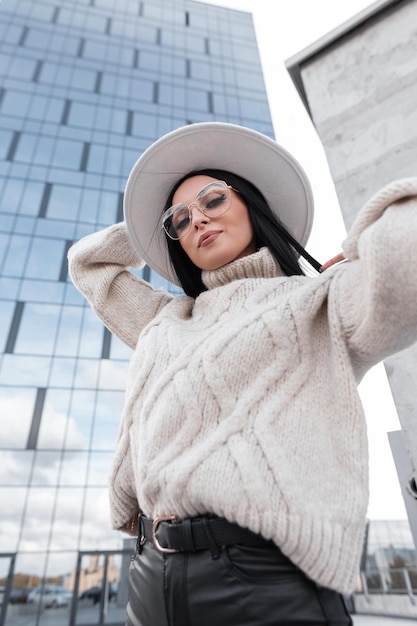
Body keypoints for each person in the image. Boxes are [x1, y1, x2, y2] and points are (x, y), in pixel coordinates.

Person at [68, 122, 417, 626]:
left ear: (252, 203)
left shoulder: (320, 302)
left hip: (263, 580)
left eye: (213, 201)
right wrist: (146, 227)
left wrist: (363, 250)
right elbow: (90, 267)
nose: (197, 222)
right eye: (180, 220)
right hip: (149, 576)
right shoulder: (165, 321)